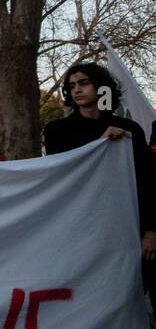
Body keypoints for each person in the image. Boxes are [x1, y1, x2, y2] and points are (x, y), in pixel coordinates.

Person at [43, 62, 156, 267]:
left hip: (128, 225)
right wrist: (100, 145)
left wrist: (151, 230)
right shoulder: (57, 131)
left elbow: (147, 180)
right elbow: (60, 174)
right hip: (80, 227)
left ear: (102, 86)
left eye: (84, 83)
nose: (76, 89)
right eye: (71, 85)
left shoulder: (128, 129)